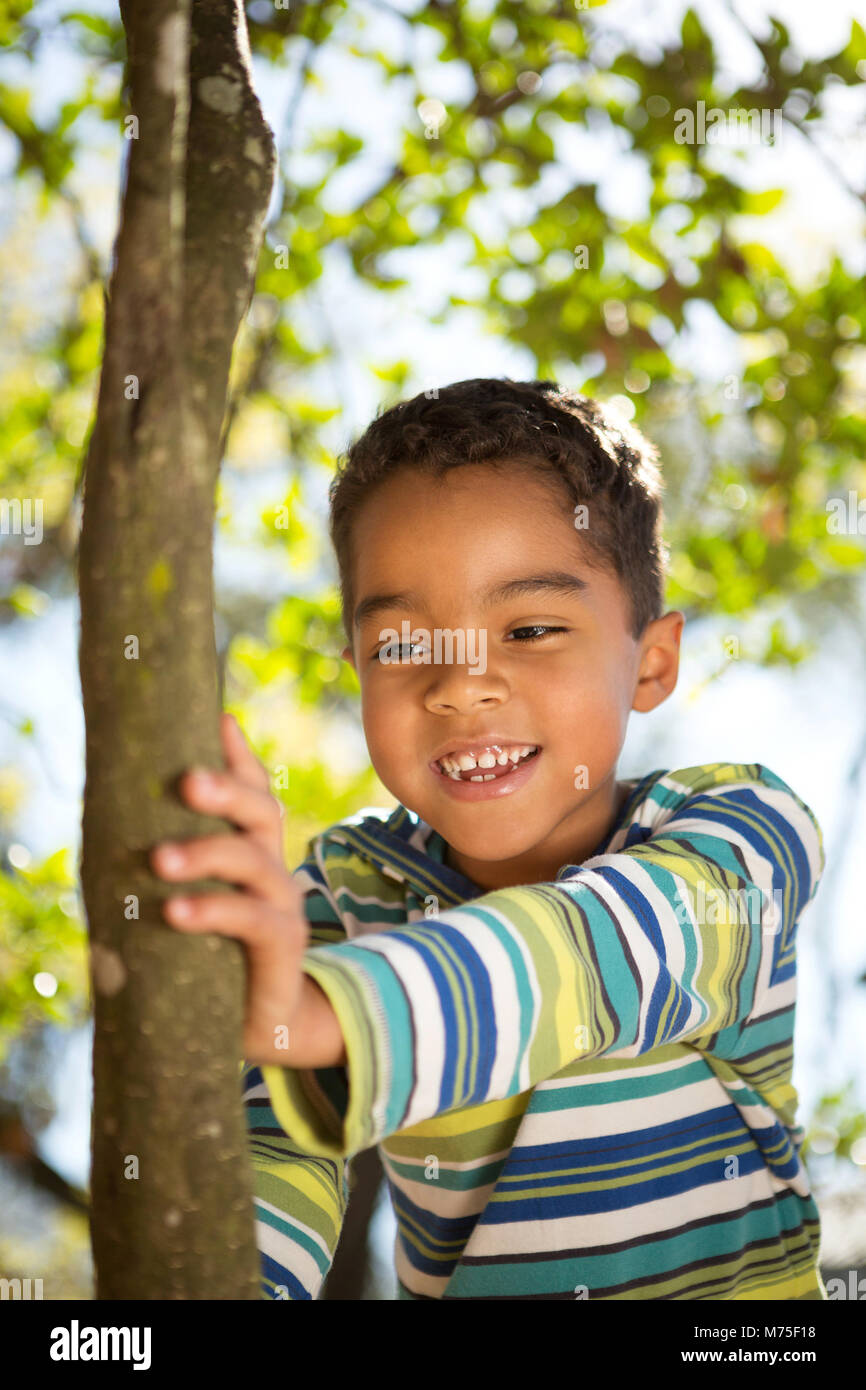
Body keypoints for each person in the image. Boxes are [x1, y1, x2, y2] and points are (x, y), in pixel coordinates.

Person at [151, 378, 826, 1300]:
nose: (461, 686)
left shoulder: (739, 834)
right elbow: (269, 1156)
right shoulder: (342, 898)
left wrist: (329, 1014)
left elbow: (595, 952)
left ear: (652, 660)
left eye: (532, 627)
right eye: (401, 647)